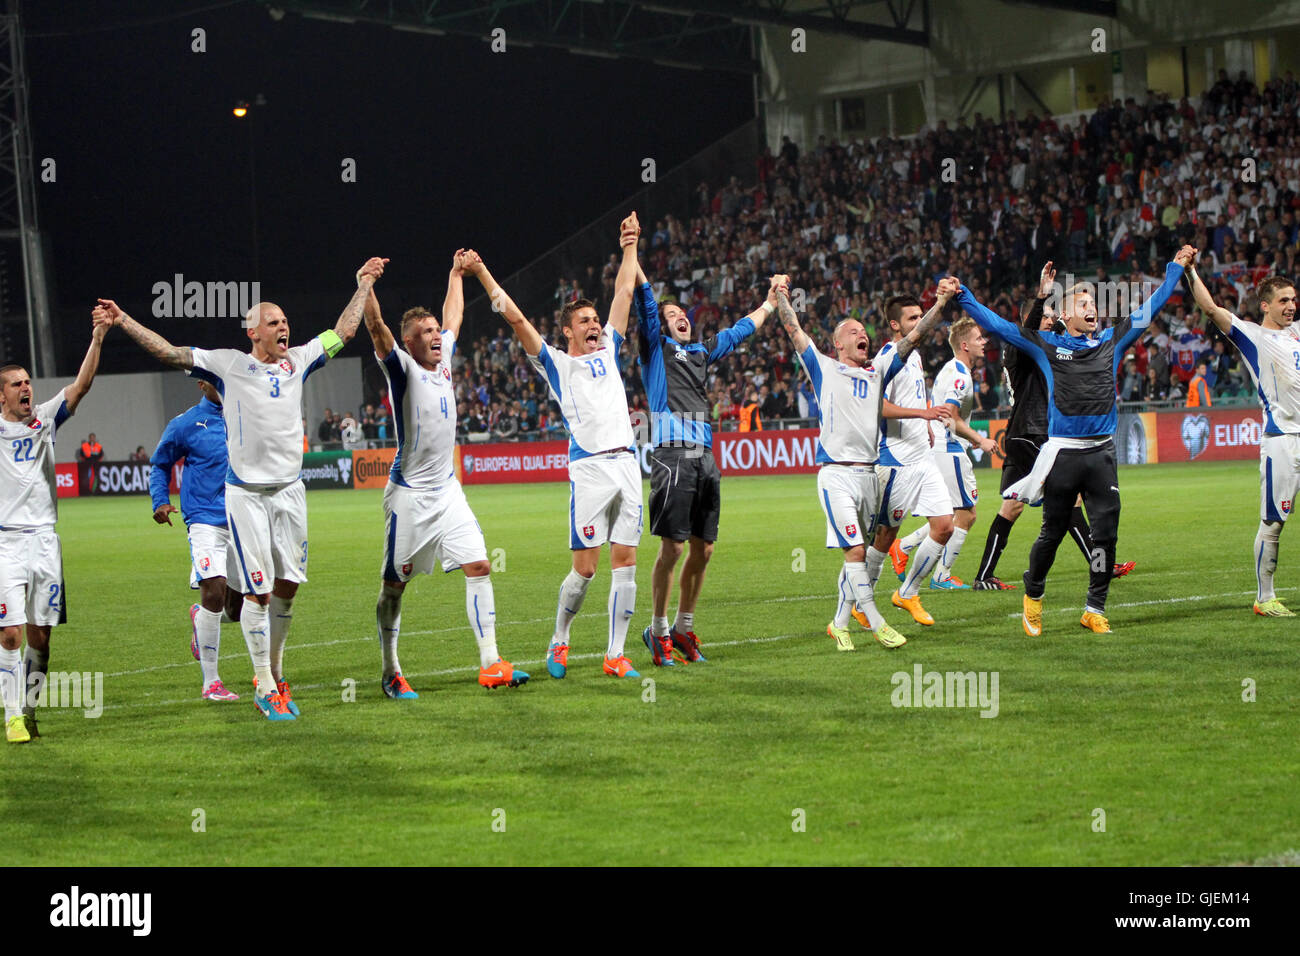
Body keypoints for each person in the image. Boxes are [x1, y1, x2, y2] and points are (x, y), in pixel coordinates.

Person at [93, 255, 386, 720]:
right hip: (245, 496)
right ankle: (264, 686)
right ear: (253, 331)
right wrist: (122, 319)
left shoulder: (301, 361)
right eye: (273, 322)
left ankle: (275, 669)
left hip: (290, 492)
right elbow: (170, 353)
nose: (283, 327)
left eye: (285, 320)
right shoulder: (229, 366)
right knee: (259, 591)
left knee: (289, 586)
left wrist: (364, 283)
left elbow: (345, 332)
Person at [955, 245, 1195, 635]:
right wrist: (964, 295)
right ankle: (1033, 597)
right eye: (1082, 302)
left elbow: (1150, 308)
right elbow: (999, 326)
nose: (1091, 306)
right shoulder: (1047, 346)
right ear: (1065, 314)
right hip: (1063, 454)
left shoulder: (1111, 341)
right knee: (1051, 533)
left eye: (1092, 301)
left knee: (1106, 534)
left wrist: (1175, 268)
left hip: (1102, 454)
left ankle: (1094, 608)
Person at [467, 213, 643, 679]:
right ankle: (560, 639)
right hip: (588, 471)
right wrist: (483, 272)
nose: (594, 325)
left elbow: (624, 293)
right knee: (585, 570)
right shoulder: (557, 365)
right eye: (584, 321)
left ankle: (615, 655)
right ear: (567, 331)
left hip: (627, 465)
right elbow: (515, 315)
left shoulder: (608, 350)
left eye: (595, 320)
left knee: (625, 564)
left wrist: (629, 245)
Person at [364, 250, 529, 695]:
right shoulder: (402, 369)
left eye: (436, 330)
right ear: (411, 343)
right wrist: (367, 287)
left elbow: (453, 313)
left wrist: (456, 273)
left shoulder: (445, 363)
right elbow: (378, 330)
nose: (437, 336)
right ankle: (389, 669)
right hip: (410, 497)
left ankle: (491, 662)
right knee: (394, 588)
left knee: (478, 565)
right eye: (426, 333)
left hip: (448, 492)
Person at [777, 277, 958, 651]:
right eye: (853, 331)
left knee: (861, 551)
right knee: (857, 551)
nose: (863, 335)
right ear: (838, 344)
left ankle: (840, 623)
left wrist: (940, 305)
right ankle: (877, 622)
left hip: (869, 476)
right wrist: (780, 294)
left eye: (865, 331)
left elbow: (913, 338)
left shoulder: (877, 373)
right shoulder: (823, 368)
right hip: (837, 475)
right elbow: (794, 329)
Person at [634, 265, 779, 667]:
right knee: (673, 547)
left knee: (705, 548)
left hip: (705, 459)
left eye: (684, 313)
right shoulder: (656, 349)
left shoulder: (699, 352)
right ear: (661, 326)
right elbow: (646, 308)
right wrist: (636, 258)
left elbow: (737, 333)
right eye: (672, 314)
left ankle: (683, 627)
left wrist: (770, 301)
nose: (681, 316)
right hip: (673, 455)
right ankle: (658, 630)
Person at [972, 262, 1136, 590]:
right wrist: (1042, 299)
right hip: (1029, 434)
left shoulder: (1052, 350)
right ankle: (1099, 563)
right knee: (1057, 501)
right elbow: (1032, 329)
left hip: (1036, 434)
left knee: (1024, 506)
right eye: (1047, 318)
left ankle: (984, 575)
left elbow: (1070, 342)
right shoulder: (1020, 350)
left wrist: (1067, 318)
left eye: (1051, 316)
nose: (1051, 322)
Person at [0, 319, 106, 743]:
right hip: (6, 541)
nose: (27, 389)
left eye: (28, 382)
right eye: (16, 384)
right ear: (1, 394)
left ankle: (28, 710)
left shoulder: (45, 420)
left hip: (45, 541)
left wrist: (96, 337)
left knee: (40, 639)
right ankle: (11, 719)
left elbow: (81, 385)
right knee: (10, 632)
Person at [1187, 267, 1298, 617]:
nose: (1292, 306)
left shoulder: (1297, 333)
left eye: (1294, 299)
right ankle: (1265, 597)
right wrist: (1189, 270)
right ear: (1265, 306)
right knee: (1274, 522)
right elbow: (1210, 308)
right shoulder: (1252, 336)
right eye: (1284, 301)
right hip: (1282, 440)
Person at [149, 381, 244, 701]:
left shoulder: (247, 414)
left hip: (244, 519)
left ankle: (200, 617)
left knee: (237, 607)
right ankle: (211, 682)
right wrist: (159, 501)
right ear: (203, 384)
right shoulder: (186, 424)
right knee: (214, 589)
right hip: (204, 519)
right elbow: (160, 463)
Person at [892, 317, 999, 589]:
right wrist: (980, 439)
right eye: (978, 338)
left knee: (950, 514)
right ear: (964, 345)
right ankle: (939, 573)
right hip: (947, 447)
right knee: (966, 514)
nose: (984, 342)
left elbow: (940, 409)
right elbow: (949, 417)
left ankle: (903, 548)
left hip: (943, 445)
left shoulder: (952, 369)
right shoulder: (960, 375)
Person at [874, 294, 957, 628]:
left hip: (922, 456)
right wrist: (922, 413)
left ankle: (907, 592)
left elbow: (916, 393)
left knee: (945, 526)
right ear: (895, 325)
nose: (919, 323)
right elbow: (876, 406)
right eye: (912, 318)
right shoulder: (886, 358)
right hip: (896, 460)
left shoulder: (916, 357)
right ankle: (857, 600)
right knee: (884, 537)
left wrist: (924, 424)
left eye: (922, 316)